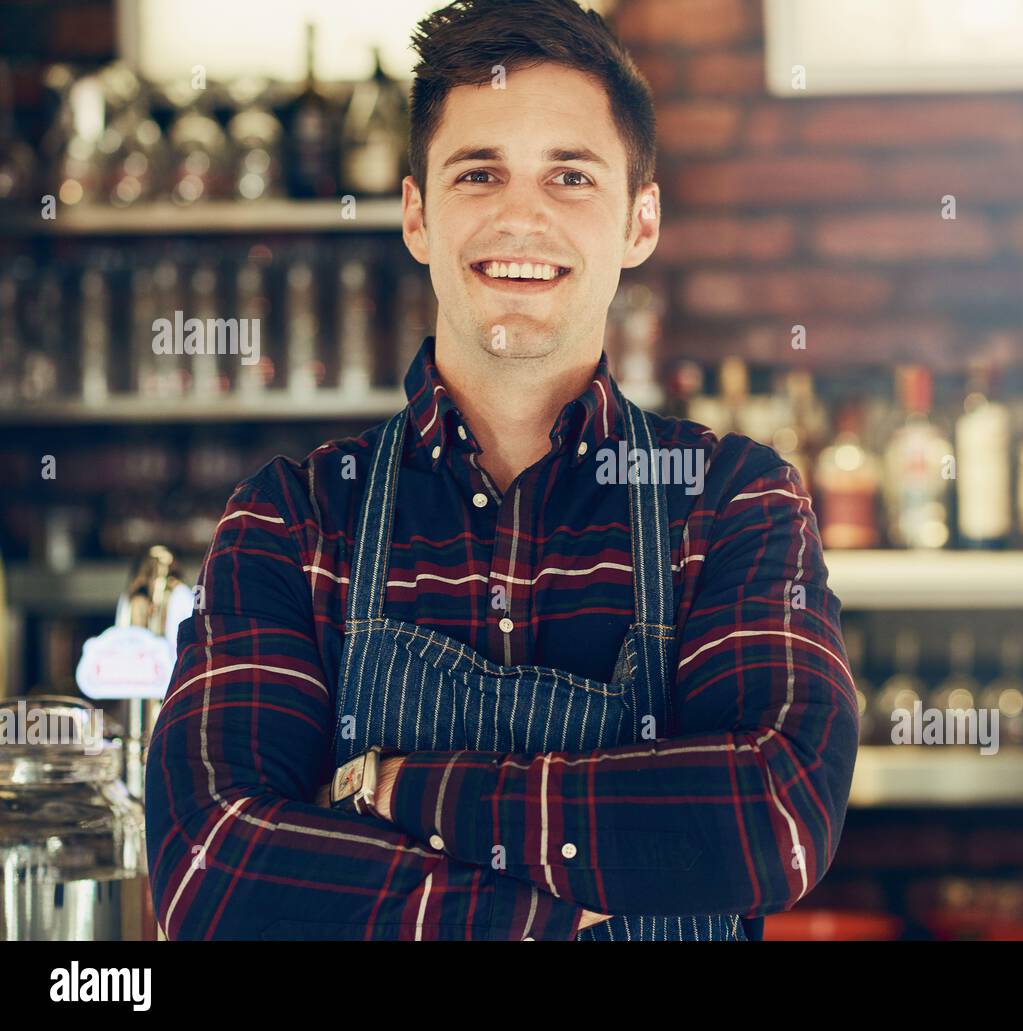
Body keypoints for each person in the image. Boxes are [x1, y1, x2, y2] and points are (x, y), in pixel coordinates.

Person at [145, 0, 858, 941]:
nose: (522, 215)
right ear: (417, 215)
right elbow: (213, 871)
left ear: (640, 221)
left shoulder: (731, 502)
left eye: (571, 176)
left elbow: (774, 821)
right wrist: (563, 911)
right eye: (479, 173)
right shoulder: (292, 520)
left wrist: (395, 787)